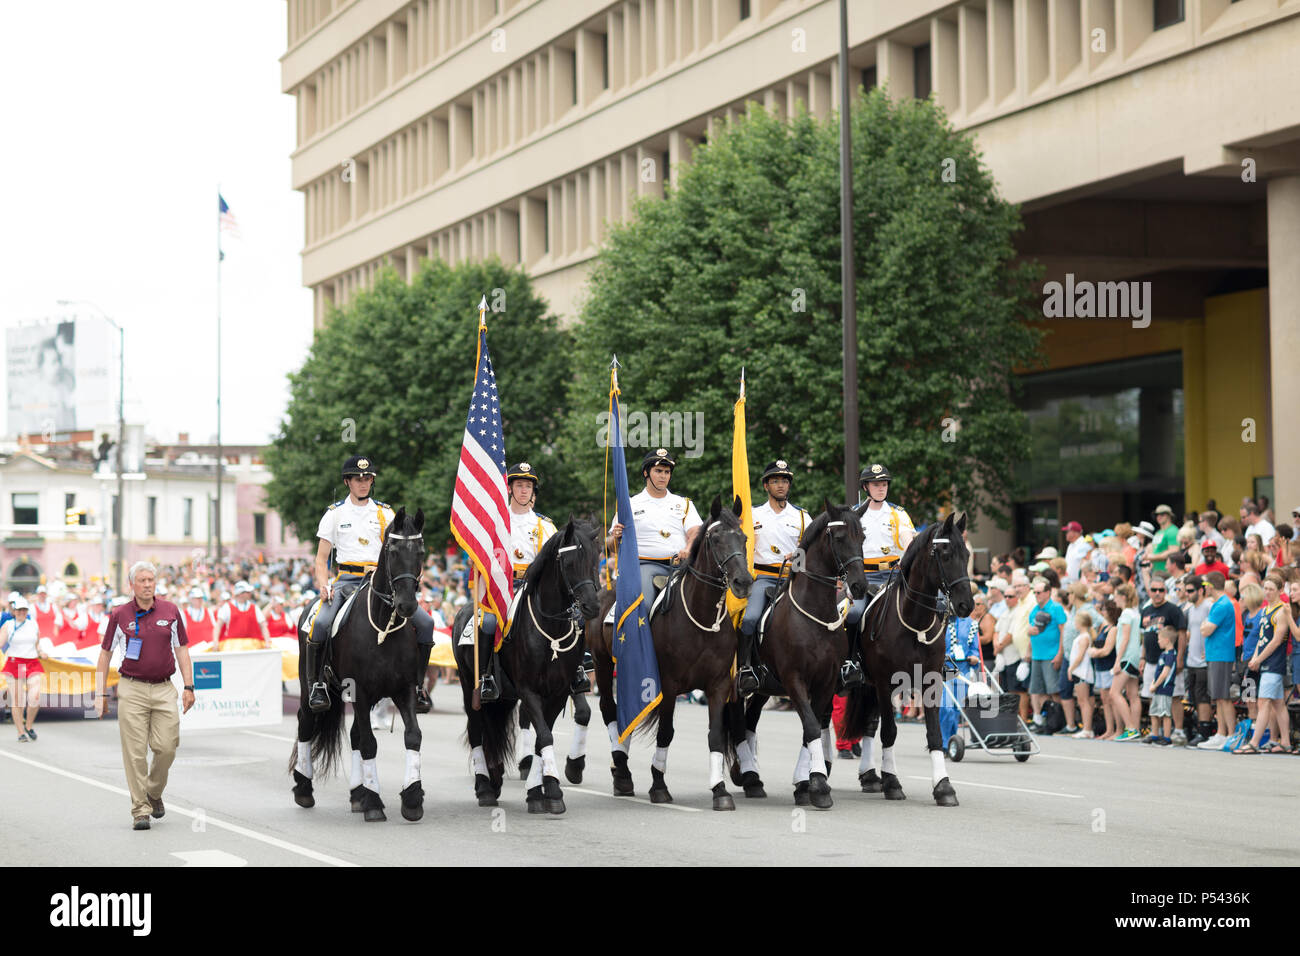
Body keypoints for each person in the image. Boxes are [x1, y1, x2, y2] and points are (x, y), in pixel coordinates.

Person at [303, 455, 436, 713]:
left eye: (368, 479)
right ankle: (318, 683)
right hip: (346, 580)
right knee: (319, 623)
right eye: (358, 479)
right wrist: (324, 584)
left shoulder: (386, 513)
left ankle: (418, 686)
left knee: (427, 624)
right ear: (347, 482)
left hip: (379, 582)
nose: (363, 483)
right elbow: (321, 559)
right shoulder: (334, 514)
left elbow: (401, 551)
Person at [94, 562, 195, 830]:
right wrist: (100, 692)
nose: (148, 584)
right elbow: (104, 654)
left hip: (164, 688)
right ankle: (140, 809)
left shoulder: (170, 611)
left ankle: (153, 792)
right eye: (142, 580)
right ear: (132, 585)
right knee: (135, 753)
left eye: (151, 579)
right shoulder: (120, 615)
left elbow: (182, 649)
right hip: (132, 688)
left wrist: (189, 686)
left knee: (166, 747)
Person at [477, 461, 567, 702]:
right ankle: (486, 676)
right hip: (502, 588)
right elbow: (481, 559)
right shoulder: (495, 522)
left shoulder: (545, 525)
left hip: (535, 588)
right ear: (510, 489)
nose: (524, 490)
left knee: (570, 619)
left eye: (528, 486)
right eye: (519, 485)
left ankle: (576, 668)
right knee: (487, 622)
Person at [738, 459, 810, 693]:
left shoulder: (802, 517)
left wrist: (798, 556)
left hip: (793, 580)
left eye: (785, 481)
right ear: (766, 486)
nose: (781, 485)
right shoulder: (752, 515)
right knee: (749, 619)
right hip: (764, 578)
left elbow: (812, 553)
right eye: (775, 481)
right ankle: (746, 668)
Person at [606, 448, 702, 605]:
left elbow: (696, 532)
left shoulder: (684, 503)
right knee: (645, 605)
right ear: (646, 473)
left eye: (667, 472)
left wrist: (689, 548)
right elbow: (612, 547)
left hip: (681, 567)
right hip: (645, 566)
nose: (663, 476)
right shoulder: (629, 504)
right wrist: (616, 537)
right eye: (658, 471)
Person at [845, 463, 917, 634]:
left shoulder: (898, 513)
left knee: (917, 612)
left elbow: (908, 541)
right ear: (865, 487)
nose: (881, 489)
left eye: (884, 484)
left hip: (894, 576)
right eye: (876, 485)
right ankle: (851, 659)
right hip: (864, 577)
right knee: (853, 614)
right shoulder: (853, 515)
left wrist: (906, 556)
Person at [1237, 576, 1293, 754]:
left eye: (1271, 589)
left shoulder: (1281, 611)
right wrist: (1254, 658)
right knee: (1278, 704)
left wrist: (1259, 659)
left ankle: (1254, 742)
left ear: (1279, 590)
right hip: (1263, 661)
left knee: (1263, 702)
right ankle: (1285, 742)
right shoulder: (1265, 610)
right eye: (1265, 588)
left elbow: (1276, 641)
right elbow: (1261, 639)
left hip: (1274, 663)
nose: (1267, 592)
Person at [1137, 574, 1188, 744]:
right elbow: (1144, 635)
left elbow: (1181, 634)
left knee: (1174, 696)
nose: (1158, 593)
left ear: (1166, 591)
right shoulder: (1146, 610)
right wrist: (1142, 657)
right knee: (1153, 696)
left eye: (1161, 590)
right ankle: (1155, 732)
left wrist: (1179, 658)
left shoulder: (1173, 610)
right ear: (1149, 591)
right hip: (1151, 660)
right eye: (1154, 590)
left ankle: (1178, 730)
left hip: (1169, 661)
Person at [1196, 571, 1238, 750]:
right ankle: (1221, 733)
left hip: (1221, 655)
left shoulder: (1222, 605)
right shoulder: (1218, 604)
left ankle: (1230, 735)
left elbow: (1206, 630)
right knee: (1218, 697)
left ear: (1210, 586)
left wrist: (1204, 624)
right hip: (1215, 654)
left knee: (1224, 697)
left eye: (1205, 585)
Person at [0, 598, 47, 741]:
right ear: (14, 611)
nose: (21, 612)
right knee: (18, 700)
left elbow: (37, 643)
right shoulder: (8, 625)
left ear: (27, 611)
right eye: (19, 610)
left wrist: (41, 652)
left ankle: (29, 725)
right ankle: (20, 731)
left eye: (24, 610)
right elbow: (1, 643)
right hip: (15, 662)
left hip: (32, 662)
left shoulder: (33, 624)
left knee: (35, 697)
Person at [1026, 576, 1067, 730]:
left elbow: (1063, 630)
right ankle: (1042, 719)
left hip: (1051, 655)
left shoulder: (1056, 608)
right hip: (1037, 655)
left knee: (1054, 690)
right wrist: (1027, 654)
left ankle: (1058, 721)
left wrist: (1060, 653)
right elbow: (1031, 631)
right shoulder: (1034, 610)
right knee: (1036, 689)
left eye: (1039, 592)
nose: (1036, 595)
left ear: (1048, 592)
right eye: (1034, 593)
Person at [1109, 585, 1143, 741]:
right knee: (1132, 694)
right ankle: (1135, 729)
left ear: (1122, 596)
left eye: (1116, 595)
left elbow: (1125, 638)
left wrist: (1118, 661)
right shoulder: (1135, 613)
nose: (1114, 598)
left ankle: (1130, 728)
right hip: (1134, 656)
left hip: (1127, 657)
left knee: (1114, 692)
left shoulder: (1126, 614)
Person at [1089, 600, 1119, 739]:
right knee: (1104, 699)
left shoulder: (1113, 629)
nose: (1102, 612)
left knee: (1111, 699)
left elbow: (1107, 650)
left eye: (1104, 609)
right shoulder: (1103, 627)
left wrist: (1094, 652)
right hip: (1100, 667)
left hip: (1108, 666)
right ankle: (1109, 729)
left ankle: (1118, 728)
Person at [215, 581, 271, 649]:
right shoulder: (227, 607)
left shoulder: (254, 607)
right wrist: (215, 641)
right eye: (247, 592)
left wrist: (267, 642)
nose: (250, 594)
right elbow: (218, 625)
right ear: (240, 594)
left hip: (252, 646)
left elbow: (263, 626)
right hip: (233, 646)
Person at [1067, 609, 1096, 738]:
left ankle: (1087, 729)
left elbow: (1080, 656)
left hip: (1081, 672)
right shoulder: (1082, 636)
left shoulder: (1084, 637)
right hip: (1080, 671)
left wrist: (1071, 668)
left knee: (1083, 701)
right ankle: (1087, 728)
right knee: (1084, 701)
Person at [1147, 626, 1178, 746]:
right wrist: (1153, 683)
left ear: (1167, 640)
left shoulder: (1171, 655)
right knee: (1154, 712)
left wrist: (1155, 685)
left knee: (1165, 714)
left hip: (1165, 688)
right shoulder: (1163, 654)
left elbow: (1165, 673)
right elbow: (1158, 671)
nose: (1158, 641)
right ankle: (1154, 734)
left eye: (1159, 639)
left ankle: (1167, 737)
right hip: (1157, 688)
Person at [181, 587, 217, 652]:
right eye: (197, 598)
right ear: (191, 599)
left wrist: (215, 642)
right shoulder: (183, 614)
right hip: (193, 650)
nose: (199, 600)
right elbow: (181, 634)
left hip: (209, 649)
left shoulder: (209, 611)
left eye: (201, 598)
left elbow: (215, 629)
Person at [1147, 505, 1180, 575]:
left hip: (1167, 573)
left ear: (1169, 516)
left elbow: (1174, 551)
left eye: (1162, 514)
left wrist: (1152, 557)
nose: (1159, 517)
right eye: (1157, 515)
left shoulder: (1173, 531)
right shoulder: (1158, 532)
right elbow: (1154, 549)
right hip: (1155, 571)